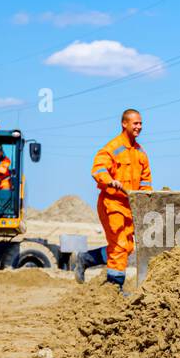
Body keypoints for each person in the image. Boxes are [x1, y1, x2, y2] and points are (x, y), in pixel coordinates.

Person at [76, 109, 152, 288]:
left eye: (140, 123)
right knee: (119, 246)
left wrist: (146, 198)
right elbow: (98, 169)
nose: (139, 127)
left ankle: (86, 258)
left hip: (130, 206)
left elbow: (146, 180)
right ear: (124, 124)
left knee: (127, 247)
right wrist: (110, 181)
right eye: (135, 123)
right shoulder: (113, 148)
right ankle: (115, 288)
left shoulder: (140, 152)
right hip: (112, 203)